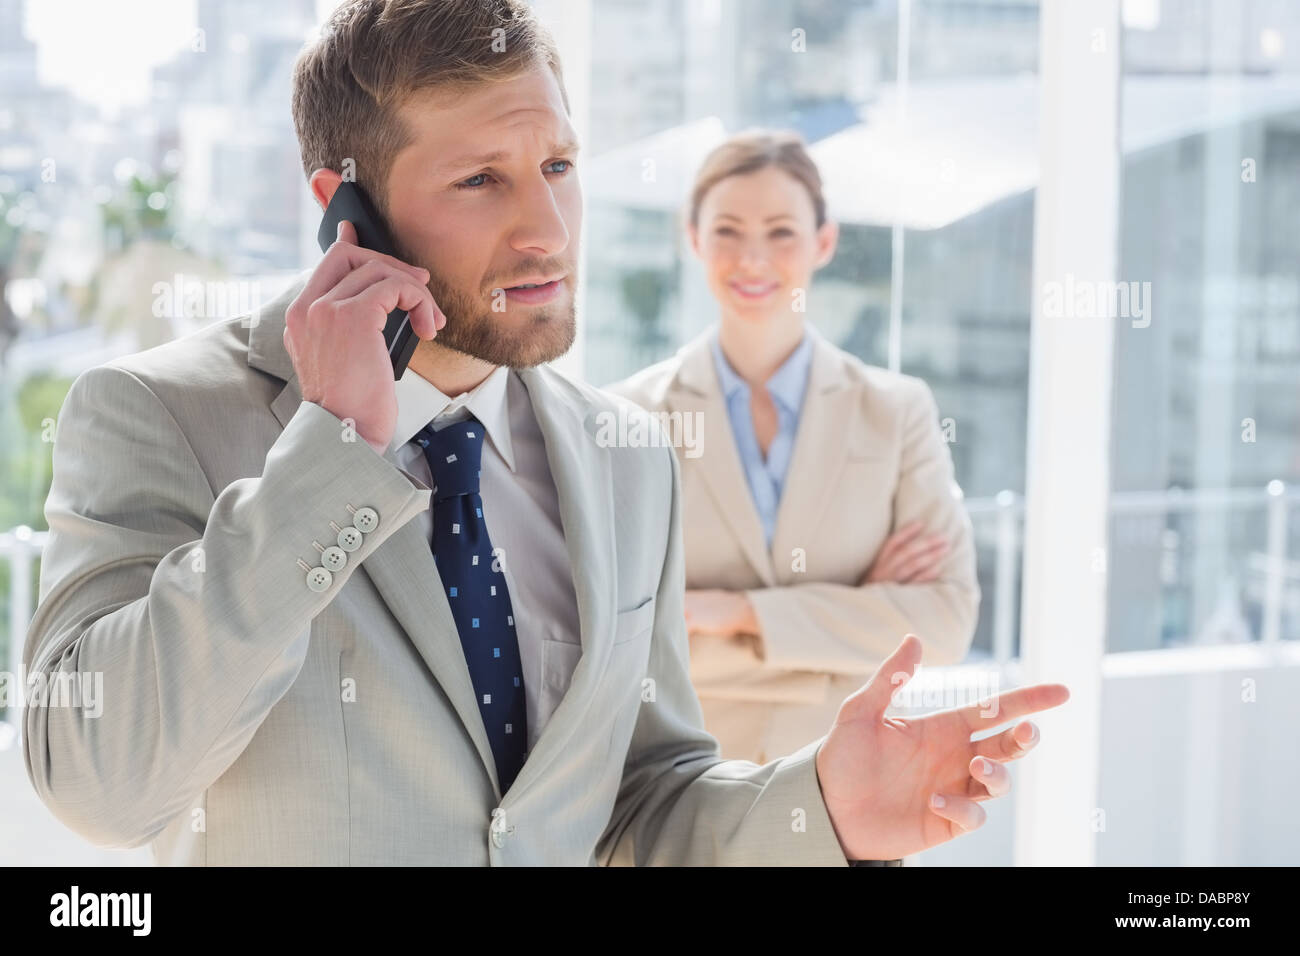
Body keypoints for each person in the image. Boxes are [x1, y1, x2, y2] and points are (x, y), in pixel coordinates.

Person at [23, 0, 1065, 866]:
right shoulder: (157, 411)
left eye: (558, 166)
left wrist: (821, 806)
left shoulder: (624, 452)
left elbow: (639, 801)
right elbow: (101, 784)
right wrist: (332, 443)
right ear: (345, 208)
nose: (547, 230)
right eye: (483, 180)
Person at [609, 130, 980, 764]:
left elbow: (944, 622)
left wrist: (732, 612)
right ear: (693, 238)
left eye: (781, 231)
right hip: (682, 784)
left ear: (824, 242)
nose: (753, 258)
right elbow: (621, 641)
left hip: (851, 785)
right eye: (727, 231)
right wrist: (854, 615)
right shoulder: (630, 417)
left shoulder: (895, 411)